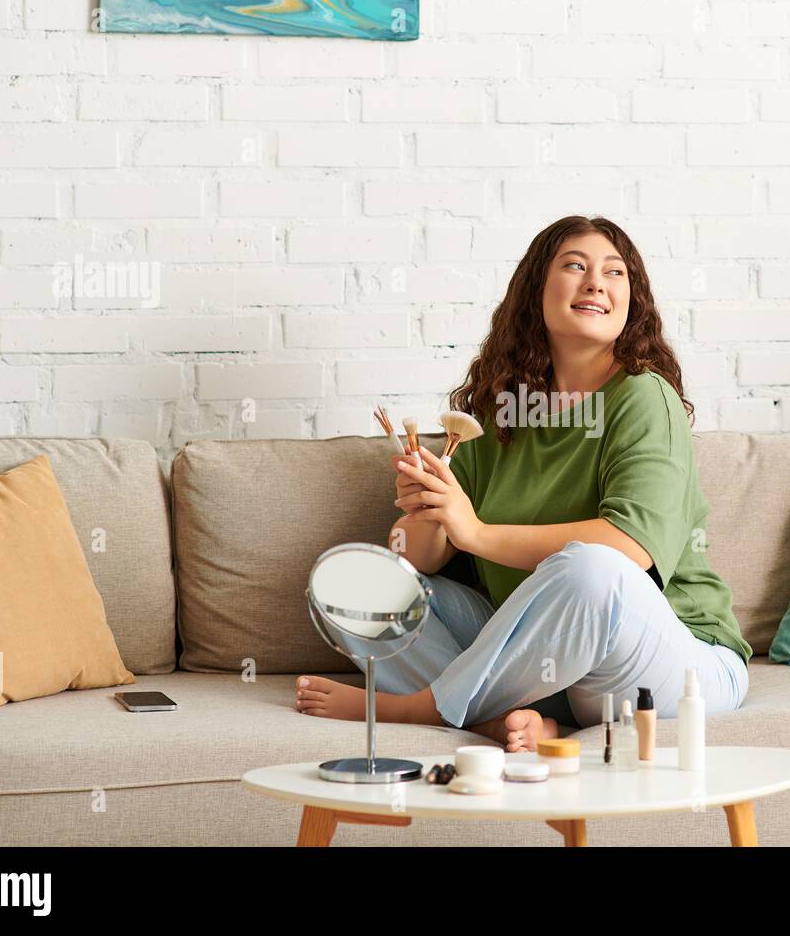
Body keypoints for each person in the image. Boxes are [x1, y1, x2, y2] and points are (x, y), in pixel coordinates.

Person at [295, 215, 751, 752]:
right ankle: (512, 716)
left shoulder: (645, 397)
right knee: (351, 583)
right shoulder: (500, 412)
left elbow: (632, 548)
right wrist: (430, 509)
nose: (596, 283)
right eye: (575, 266)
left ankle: (426, 707)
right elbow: (419, 559)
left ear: (632, 300)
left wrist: (477, 533)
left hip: (670, 665)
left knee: (593, 567)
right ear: (536, 290)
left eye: (615, 272)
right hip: (546, 669)